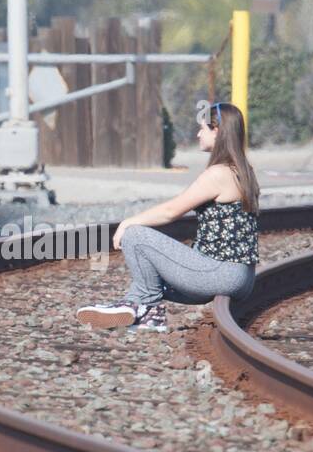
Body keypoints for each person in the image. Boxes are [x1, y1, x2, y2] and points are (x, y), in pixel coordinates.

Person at [76, 101, 260, 333]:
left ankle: (146, 308)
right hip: (243, 279)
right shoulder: (244, 171)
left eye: (203, 128)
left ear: (218, 131)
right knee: (151, 275)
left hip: (218, 274)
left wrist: (127, 222)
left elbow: (171, 211)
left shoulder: (218, 174)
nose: (198, 133)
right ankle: (139, 308)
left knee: (135, 236)